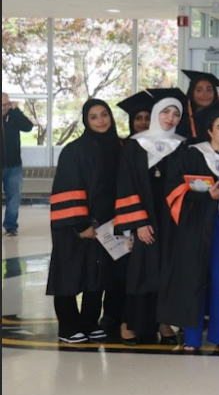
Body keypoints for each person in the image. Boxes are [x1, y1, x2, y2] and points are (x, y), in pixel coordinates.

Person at [159, 101, 219, 353]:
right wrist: (207, 197)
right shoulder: (192, 154)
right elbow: (174, 188)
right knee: (194, 280)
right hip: (195, 228)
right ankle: (192, 337)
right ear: (210, 131)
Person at [47, 99, 121, 343]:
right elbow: (68, 187)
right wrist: (82, 223)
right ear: (86, 121)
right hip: (76, 224)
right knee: (69, 273)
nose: (101, 120)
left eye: (104, 114)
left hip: (107, 223)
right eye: (94, 116)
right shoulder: (75, 149)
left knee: (97, 274)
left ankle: (89, 322)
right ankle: (68, 326)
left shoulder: (118, 146)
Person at [114, 94, 185, 346]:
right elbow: (126, 184)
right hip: (144, 218)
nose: (170, 118)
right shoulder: (135, 146)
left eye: (176, 114)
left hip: (171, 219)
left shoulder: (181, 145)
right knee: (141, 271)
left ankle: (163, 321)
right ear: (156, 113)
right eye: (165, 112)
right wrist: (138, 222)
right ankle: (129, 323)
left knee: (167, 271)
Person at [3, 92, 36, 237]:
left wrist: (16, 111)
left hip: (14, 166)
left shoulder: (14, 116)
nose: (3, 108)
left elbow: (28, 127)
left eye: (5, 105)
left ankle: (10, 226)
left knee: (14, 197)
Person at [178, 70, 219, 141]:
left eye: (209, 90)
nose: (205, 94)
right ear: (191, 93)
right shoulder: (182, 119)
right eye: (199, 90)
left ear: (214, 93)